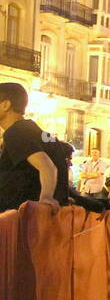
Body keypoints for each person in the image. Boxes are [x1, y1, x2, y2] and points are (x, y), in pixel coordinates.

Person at [0, 82, 61, 213]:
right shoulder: (34, 132)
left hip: (18, 217)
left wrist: (46, 197)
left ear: (5, 105)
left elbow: (47, 166)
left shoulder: (15, 132)